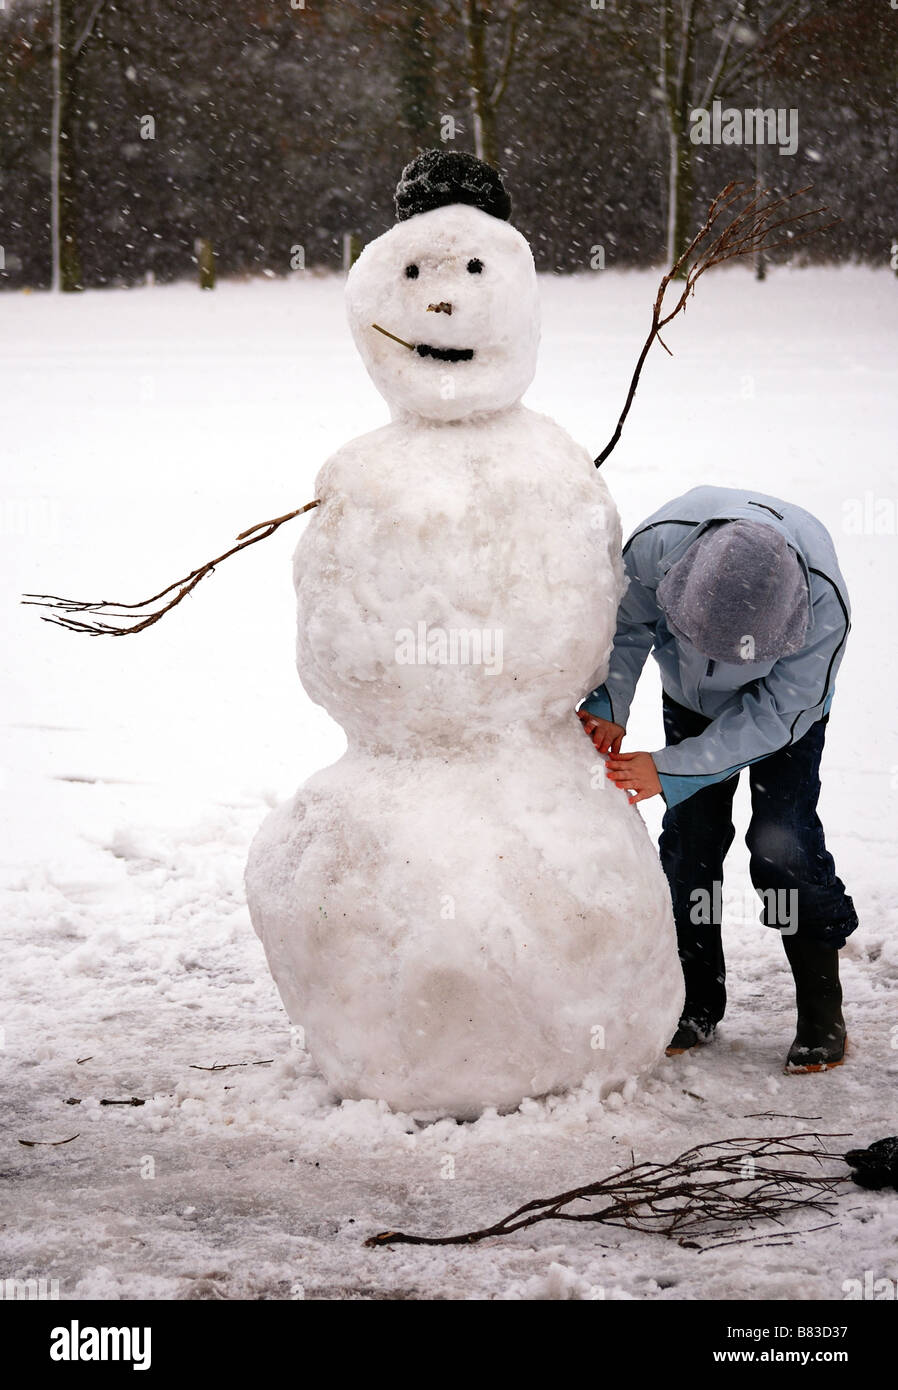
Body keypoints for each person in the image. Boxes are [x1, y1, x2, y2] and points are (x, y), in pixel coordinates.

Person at [578, 485, 857, 1073]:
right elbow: (627, 628)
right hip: (687, 697)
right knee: (690, 844)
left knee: (782, 846)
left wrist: (671, 768)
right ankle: (696, 999)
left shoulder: (824, 605)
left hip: (781, 715)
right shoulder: (657, 546)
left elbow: (780, 714)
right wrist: (609, 702)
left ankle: (821, 1012)